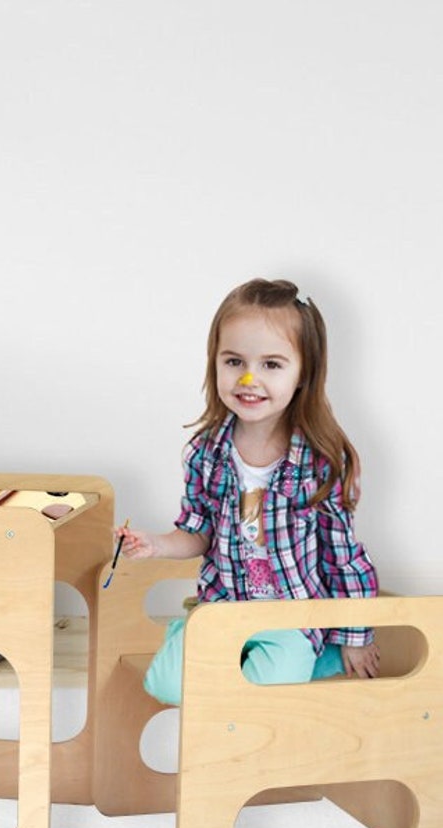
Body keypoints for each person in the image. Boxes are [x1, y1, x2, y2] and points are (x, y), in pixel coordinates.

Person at [121, 278, 379, 701]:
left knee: (264, 689)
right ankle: (193, 636)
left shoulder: (320, 460)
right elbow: (197, 533)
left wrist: (357, 634)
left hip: (291, 616)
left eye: (271, 365)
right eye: (233, 361)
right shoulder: (205, 452)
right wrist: (156, 544)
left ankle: (318, 650)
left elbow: (342, 554)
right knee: (165, 687)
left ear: (303, 374)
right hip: (224, 607)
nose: (247, 379)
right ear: (214, 364)